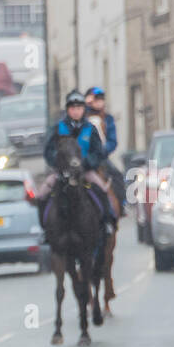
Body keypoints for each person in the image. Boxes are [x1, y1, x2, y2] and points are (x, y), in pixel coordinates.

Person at [35, 91, 118, 240]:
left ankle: (107, 223)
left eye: (79, 108)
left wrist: (86, 163)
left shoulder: (90, 129)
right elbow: (49, 150)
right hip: (61, 172)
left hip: (85, 171)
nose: (76, 111)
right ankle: (44, 230)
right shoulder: (57, 128)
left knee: (103, 190)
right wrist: (59, 163)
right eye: (72, 108)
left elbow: (97, 152)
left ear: (83, 110)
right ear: (67, 110)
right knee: (41, 194)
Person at [84, 86, 128, 216]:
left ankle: (121, 205)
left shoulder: (108, 118)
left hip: (101, 157)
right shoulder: (83, 116)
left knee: (117, 176)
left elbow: (112, 141)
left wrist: (103, 150)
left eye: (101, 99)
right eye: (96, 99)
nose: (99, 102)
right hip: (84, 156)